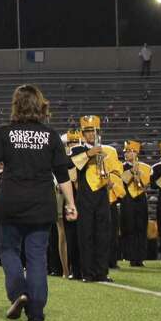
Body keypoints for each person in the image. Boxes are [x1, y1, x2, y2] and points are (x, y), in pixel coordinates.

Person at [0, 85, 76, 321]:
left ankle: (18, 293)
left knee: (9, 251)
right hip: (42, 204)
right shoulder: (50, 135)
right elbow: (63, 175)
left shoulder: (5, 133)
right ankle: (36, 311)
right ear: (40, 106)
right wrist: (71, 204)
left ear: (16, 106)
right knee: (37, 257)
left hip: (11, 203)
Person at [67, 115, 125, 283]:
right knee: (86, 234)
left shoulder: (107, 151)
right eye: (88, 131)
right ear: (83, 134)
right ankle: (87, 273)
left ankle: (102, 272)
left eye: (94, 131)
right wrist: (89, 153)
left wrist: (110, 178)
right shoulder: (77, 150)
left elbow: (116, 171)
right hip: (84, 195)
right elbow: (70, 164)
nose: (91, 135)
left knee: (103, 234)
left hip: (102, 195)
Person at [118, 141, 151, 267]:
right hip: (127, 199)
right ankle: (130, 256)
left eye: (130, 151)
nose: (127, 153)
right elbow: (123, 180)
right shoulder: (121, 166)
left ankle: (140, 257)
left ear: (136, 152)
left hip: (141, 198)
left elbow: (146, 184)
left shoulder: (145, 167)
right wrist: (132, 172)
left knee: (141, 228)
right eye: (126, 151)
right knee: (129, 228)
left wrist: (140, 176)